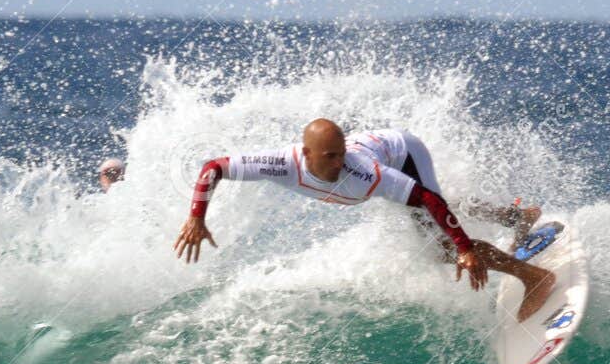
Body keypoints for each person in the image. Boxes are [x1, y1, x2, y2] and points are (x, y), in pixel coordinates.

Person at [171, 119, 556, 320]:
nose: (339, 164)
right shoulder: (278, 164)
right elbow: (212, 168)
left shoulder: (362, 172)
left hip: (404, 153)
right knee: (439, 211)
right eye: (329, 157)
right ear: (306, 154)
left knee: (440, 243)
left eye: (341, 154)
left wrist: (464, 248)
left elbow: (425, 197)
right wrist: (196, 218)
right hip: (387, 152)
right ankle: (515, 215)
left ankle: (535, 278)